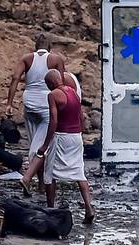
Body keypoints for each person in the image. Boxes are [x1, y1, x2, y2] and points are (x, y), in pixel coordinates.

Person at [5, 33, 67, 194]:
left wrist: (9, 104)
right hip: (47, 103)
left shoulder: (26, 58)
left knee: (35, 142)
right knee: (42, 146)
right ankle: (28, 177)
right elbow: (62, 82)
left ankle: (39, 185)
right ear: (49, 47)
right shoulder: (56, 59)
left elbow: (14, 78)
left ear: (35, 46)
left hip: (30, 104)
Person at [37, 69, 94, 224]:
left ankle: (50, 209)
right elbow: (81, 115)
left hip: (61, 136)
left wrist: (45, 144)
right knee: (79, 172)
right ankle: (88, 208)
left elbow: (54, 121)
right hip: (76, 137)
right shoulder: (74, 93)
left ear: (50, 83)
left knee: (49, 174)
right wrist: (80, 131)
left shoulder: (53, 95)